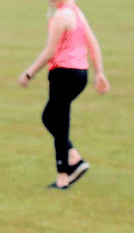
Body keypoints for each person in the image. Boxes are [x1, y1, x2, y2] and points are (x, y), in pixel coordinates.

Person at [19, 0, 109, 190]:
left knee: (59, 122)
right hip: (80, 74)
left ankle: (63, 176)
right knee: (50, 117)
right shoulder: (75, 11)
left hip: (63, 73)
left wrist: (29, 73)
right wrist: (98, 73)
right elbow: (92, 43)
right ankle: (73, 158)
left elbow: (49, 52)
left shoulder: (61, 16)